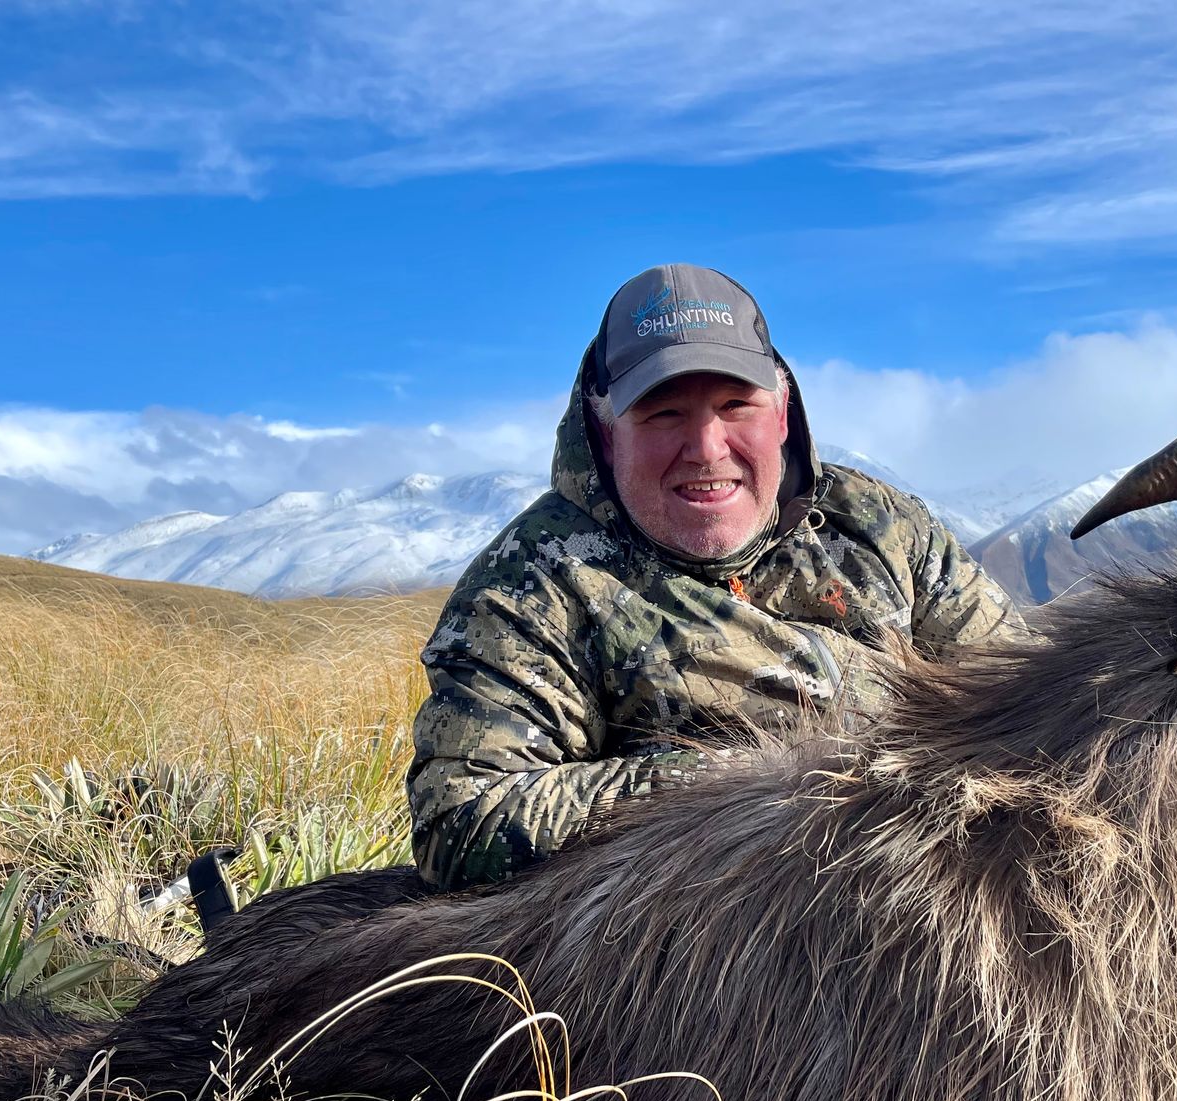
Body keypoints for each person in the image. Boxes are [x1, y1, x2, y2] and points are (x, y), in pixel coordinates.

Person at [408, 263, 1022, 890]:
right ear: (604, 431)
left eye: (735, 406)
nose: (705, 447)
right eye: (663, 413)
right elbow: (463, 821)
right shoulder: (531, 583)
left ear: (782, 414)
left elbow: (1022, 701)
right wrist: (750, 782)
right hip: (689, 939)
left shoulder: (881, 525)